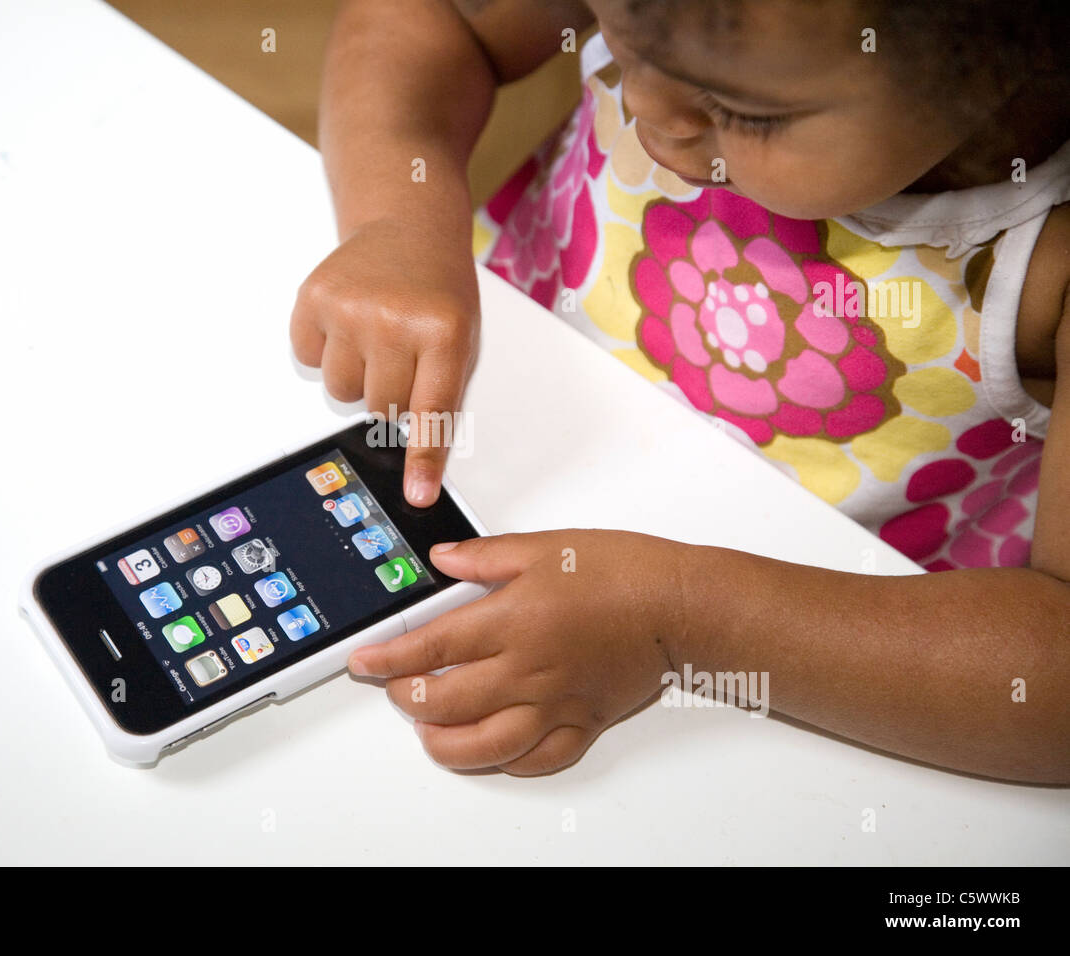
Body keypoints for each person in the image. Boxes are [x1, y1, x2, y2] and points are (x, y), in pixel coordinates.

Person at [290, 0, 1070, 781]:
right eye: (615, 38)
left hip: (814, 647)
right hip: (510, 460)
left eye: (739, 110)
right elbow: (431, 18)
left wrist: (683, 624)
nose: (644, 111)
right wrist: (395, 220)